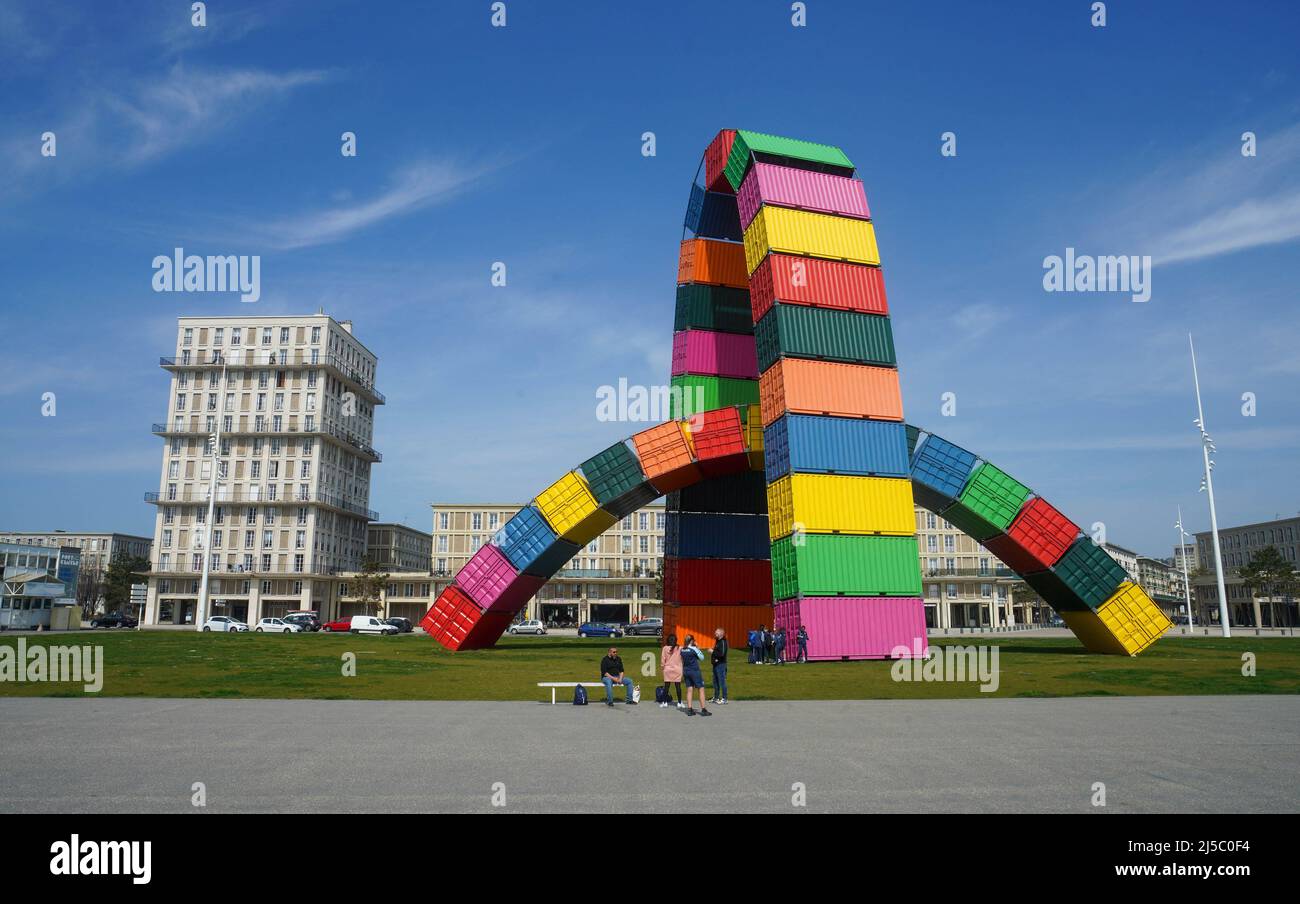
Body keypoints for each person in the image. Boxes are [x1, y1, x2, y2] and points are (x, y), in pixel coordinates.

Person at [680, 635, 711, 717]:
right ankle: (703, 709)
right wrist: (697, 647)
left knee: (689, 689)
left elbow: (682, 660)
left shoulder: (682, 649)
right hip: (694, 671)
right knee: (701, 689)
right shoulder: (694, 649)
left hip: (686, 671)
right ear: (692, 641)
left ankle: (690, 709)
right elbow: (702, 657)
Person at [660, 634, 684, 709]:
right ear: (676, 640)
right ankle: (679, 702)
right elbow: (683, 658)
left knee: (666, 687)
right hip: (677, 669)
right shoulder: (680, 648)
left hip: (667, 669)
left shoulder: (665, 648)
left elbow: (662, 659)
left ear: (668, 640)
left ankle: (665, 702)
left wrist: (662, 667)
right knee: (678, 687)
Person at [710, 627, 729, 705]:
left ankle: (724, 698)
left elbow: (722, 654)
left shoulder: (723, 642)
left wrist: (712, 652)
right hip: (715, 664)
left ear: (721, 634)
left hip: (721, 665)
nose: (715, 633)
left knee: (722, 682)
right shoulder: (717, 641)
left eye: (716, 632)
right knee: (715, 682)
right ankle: (716, 697)